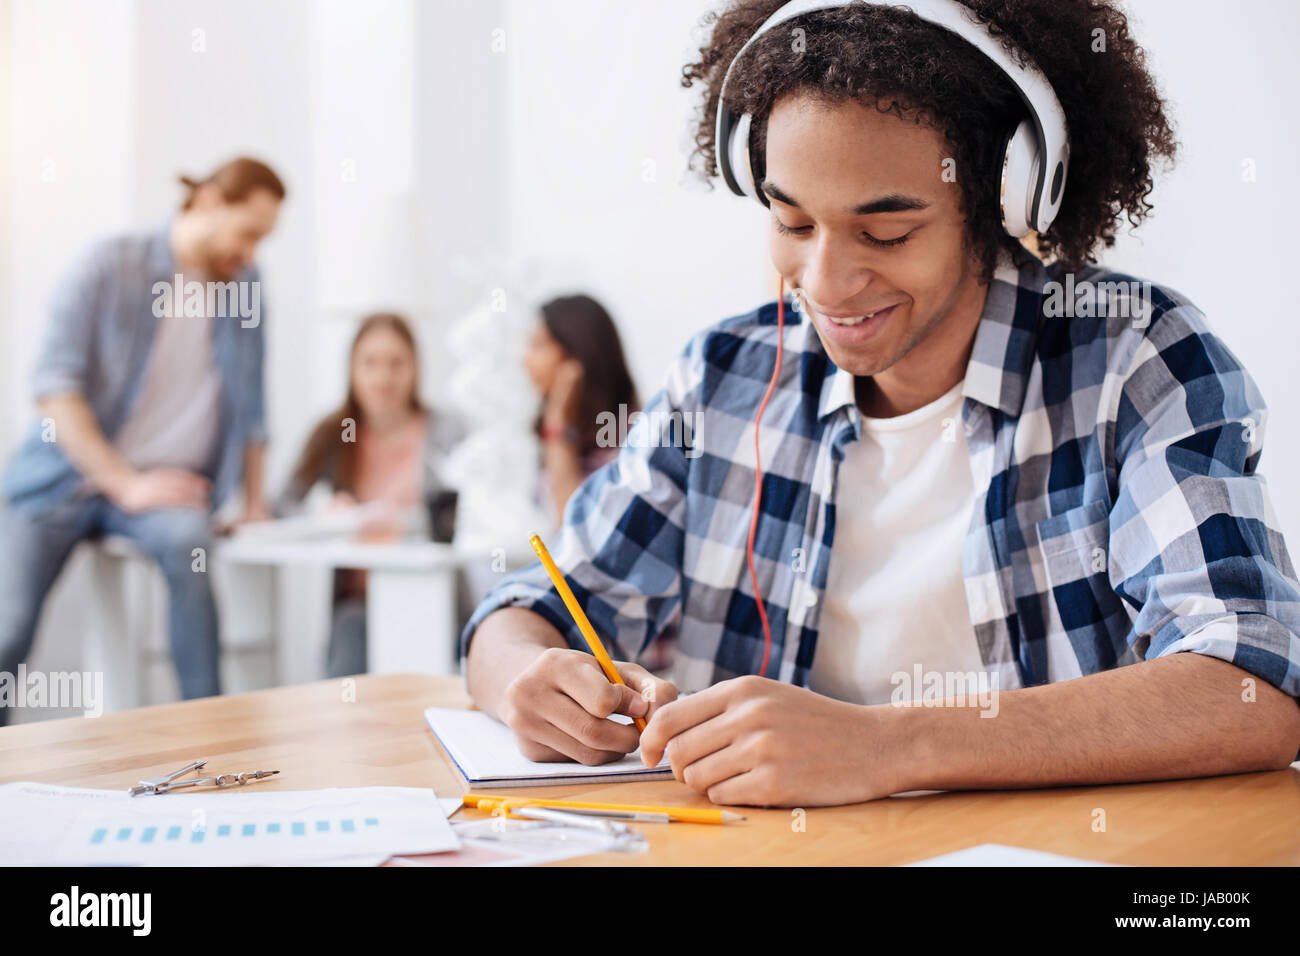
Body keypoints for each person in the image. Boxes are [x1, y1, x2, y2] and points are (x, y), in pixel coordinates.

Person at [460, 0, 1300, 808]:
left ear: (1002, 198)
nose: (826, 283)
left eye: (886, 233)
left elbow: (1252, 683)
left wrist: (887, 746)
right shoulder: (724, 377)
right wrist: (525, 678)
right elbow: (529, 611)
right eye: (792, 224)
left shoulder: (1133, 358)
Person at [0, 157, 284, 721]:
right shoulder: (110, 264)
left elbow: (252, 404)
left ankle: (209, 738)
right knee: (8, 628)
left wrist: (253, 501)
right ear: (207, 203)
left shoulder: (244, 286)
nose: (250, 253)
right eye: (248, 233)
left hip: (165, 491)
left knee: (190, 548)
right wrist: (123, 482)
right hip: (62, 477)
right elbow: (55, 388)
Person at [280, 312, 462, 678]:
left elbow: (472, 515)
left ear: (416, 368)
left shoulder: (447, 430)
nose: (383, 378)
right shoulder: (334, 433)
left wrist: (408, 522)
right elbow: (281, 506)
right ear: (351, 369)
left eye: (396, 363)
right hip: (359, 606)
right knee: (346, 676)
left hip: (435, 599)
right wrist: (326, 514)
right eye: (370, 363)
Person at [523, 295, 639, 526]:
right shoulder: (569, 432)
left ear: (575, 355)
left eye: (538, 346)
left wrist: (558, 424)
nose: (524, 360)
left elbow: (574, 532)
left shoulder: (630, 442)